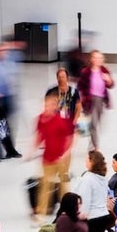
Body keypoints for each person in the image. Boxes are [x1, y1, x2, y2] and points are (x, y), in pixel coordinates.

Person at [32, 90, 77, 221]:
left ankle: (69, 211)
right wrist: (32, 151)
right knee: (45, 185)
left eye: (51, 105)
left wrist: (65, 154)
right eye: (46, 104)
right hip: (47, 158)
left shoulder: (63, 121)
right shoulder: (41, 119)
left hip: (61, 159)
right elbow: (40, 136)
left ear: (56, 106)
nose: (48, 107)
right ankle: (41, 213)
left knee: (63, 185)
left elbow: (71, 138)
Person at [77, 50, 114, 151]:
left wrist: (109, 80)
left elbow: (111, 85)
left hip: (101, 100)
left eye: (100, 58)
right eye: (96, 58)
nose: (98, 60)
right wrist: (82, 98)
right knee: (93, 123)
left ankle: (92, 141)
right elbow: (80, 86)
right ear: (92, 59)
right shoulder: (86, 72)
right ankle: (96, 146)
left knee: (98, 124)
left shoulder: (105, 71)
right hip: (90, 100)